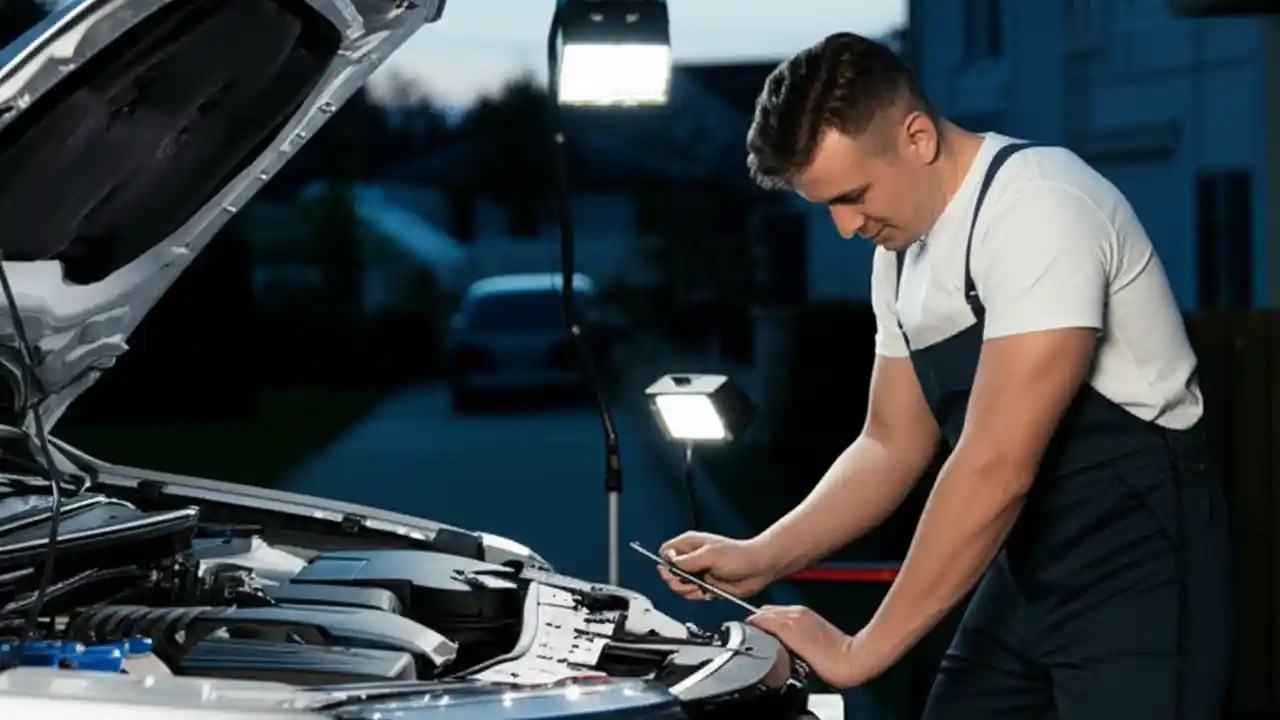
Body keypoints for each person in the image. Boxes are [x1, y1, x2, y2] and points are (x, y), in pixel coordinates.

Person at [656, 32, 1233, 719]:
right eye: (827, 206)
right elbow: (890, 444)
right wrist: (764, 554)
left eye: (853, 194)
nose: (844, 227)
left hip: (1142, 564)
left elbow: (995, 465)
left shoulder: (1039, 205)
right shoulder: (898, 252)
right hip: (1029, 562)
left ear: (918, 136)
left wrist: (857, 651)